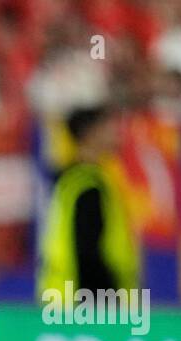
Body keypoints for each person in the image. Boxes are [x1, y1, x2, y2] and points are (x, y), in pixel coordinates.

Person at [38, 104, 140, 300]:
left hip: (70, 298)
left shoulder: (77, 179)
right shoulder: (87, 185)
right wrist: (106, 299)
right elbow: (87, 252)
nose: (117, 135)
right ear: (90, 134)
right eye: (108, 128)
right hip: (85, 301)